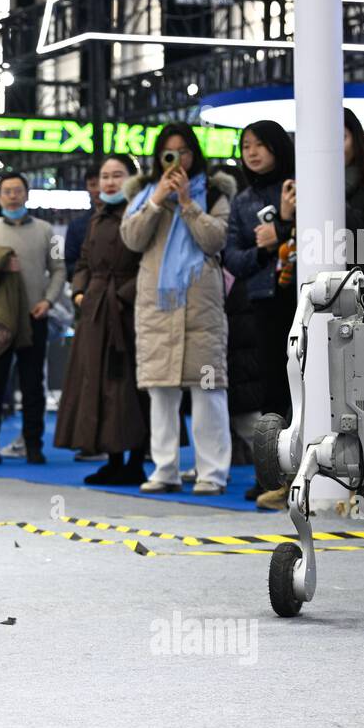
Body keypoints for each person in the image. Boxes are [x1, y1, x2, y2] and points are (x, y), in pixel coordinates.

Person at [123, 122, 237, 495]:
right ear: (159, 158)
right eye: (169, 154)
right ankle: (165, 470)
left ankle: (212, 473)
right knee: (161, 392)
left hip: (201, 309)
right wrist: (157, 199)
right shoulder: (143, 194)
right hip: (158, 308)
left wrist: (188, 203)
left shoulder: (215, 192)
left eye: (184, 152)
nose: (177, 161)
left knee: (208, 392)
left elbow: (214, 240)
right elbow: (133, 239)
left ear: (194, 154)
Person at [54, 156, 150, 484]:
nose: (109, 182)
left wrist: (123, 296)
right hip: (94, 312)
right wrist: (79, 293)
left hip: (129, 312)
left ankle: (136, 459)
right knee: (98, 385)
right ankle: (112, 457)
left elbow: (150, 262)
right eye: (105, 176)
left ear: (132, 179)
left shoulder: (143, 213)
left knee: (129, 388)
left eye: (117, 176)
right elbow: (82, 261)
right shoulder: (97, 218)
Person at [222, 119, 297, 508]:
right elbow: (232, 258)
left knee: (309, 386)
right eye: (246, 145)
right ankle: (270, 475)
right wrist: (266, 250)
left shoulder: (303, 184)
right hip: (263, 302)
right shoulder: (243, 201)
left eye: (260, 145)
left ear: (277, 147)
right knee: (273, 391)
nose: (251, 152)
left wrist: (283, 229)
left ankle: (307, 472)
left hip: (304, 297)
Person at [0, 172, 66, 465]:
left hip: (34, 317)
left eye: (17, 191)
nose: (12, 196)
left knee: (33, 383)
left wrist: (47, 300)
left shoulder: (47, 230)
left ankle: (33, 444)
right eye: (7, 192)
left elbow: (60, 269)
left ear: (27, 195)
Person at [63, 168, 100, 282]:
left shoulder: (127, 219)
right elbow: (68, 266)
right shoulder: (78, 226)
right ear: (87, 188)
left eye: (100, 183)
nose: (98, 190)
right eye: (92, 185)